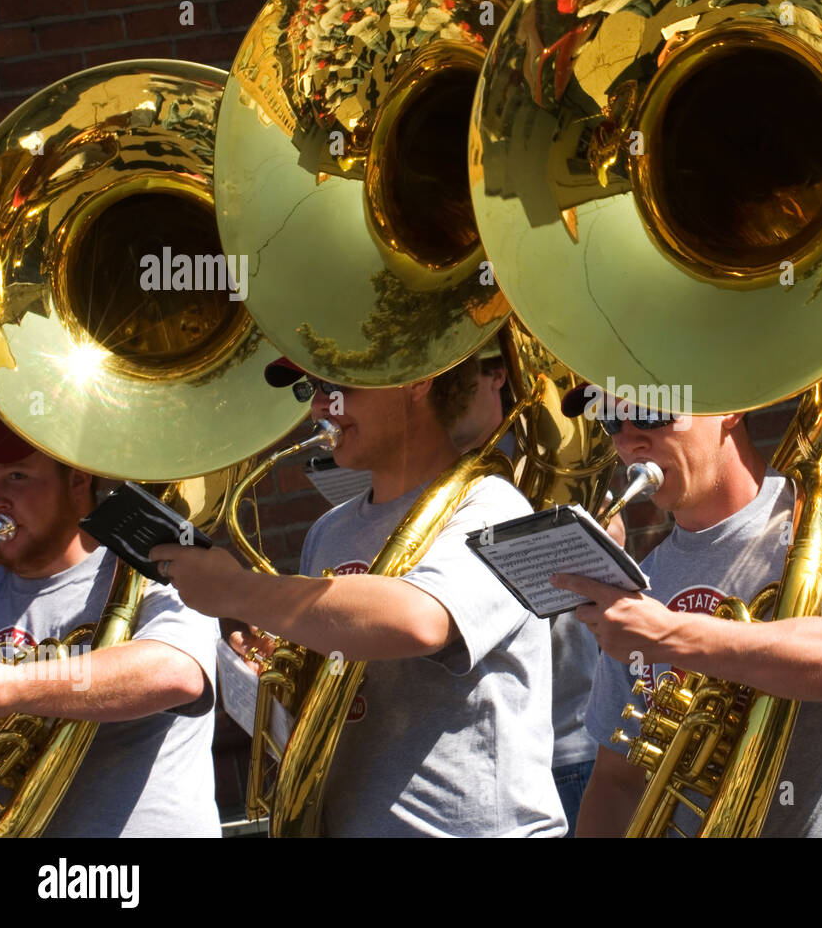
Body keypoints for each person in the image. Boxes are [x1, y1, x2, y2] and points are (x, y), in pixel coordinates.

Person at [151, 357, 565, 837]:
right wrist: (283, 672)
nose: (320, 409)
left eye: (335, 384)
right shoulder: (331, 531)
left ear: (417, 378)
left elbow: (419, 621)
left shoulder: (494, 507)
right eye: (313, 389)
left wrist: (238, 590)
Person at [556, 390, 822, 837]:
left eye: (650, 414)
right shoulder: (643, 582)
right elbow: (617, 780)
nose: (630, 442)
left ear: (728, 404)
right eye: (612, 420)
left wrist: (672, 635)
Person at [0, 412, 220, 837]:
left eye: (16, 477)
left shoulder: (159, 566)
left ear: (77, 477)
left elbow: (173, 673)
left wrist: (13, 687)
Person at [445, 351, 604, 836]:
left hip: (568, 740)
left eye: (456, 375)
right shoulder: (432, 479)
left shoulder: (553, 464)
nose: (442, 390)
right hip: (476, 756)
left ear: (498, 374)